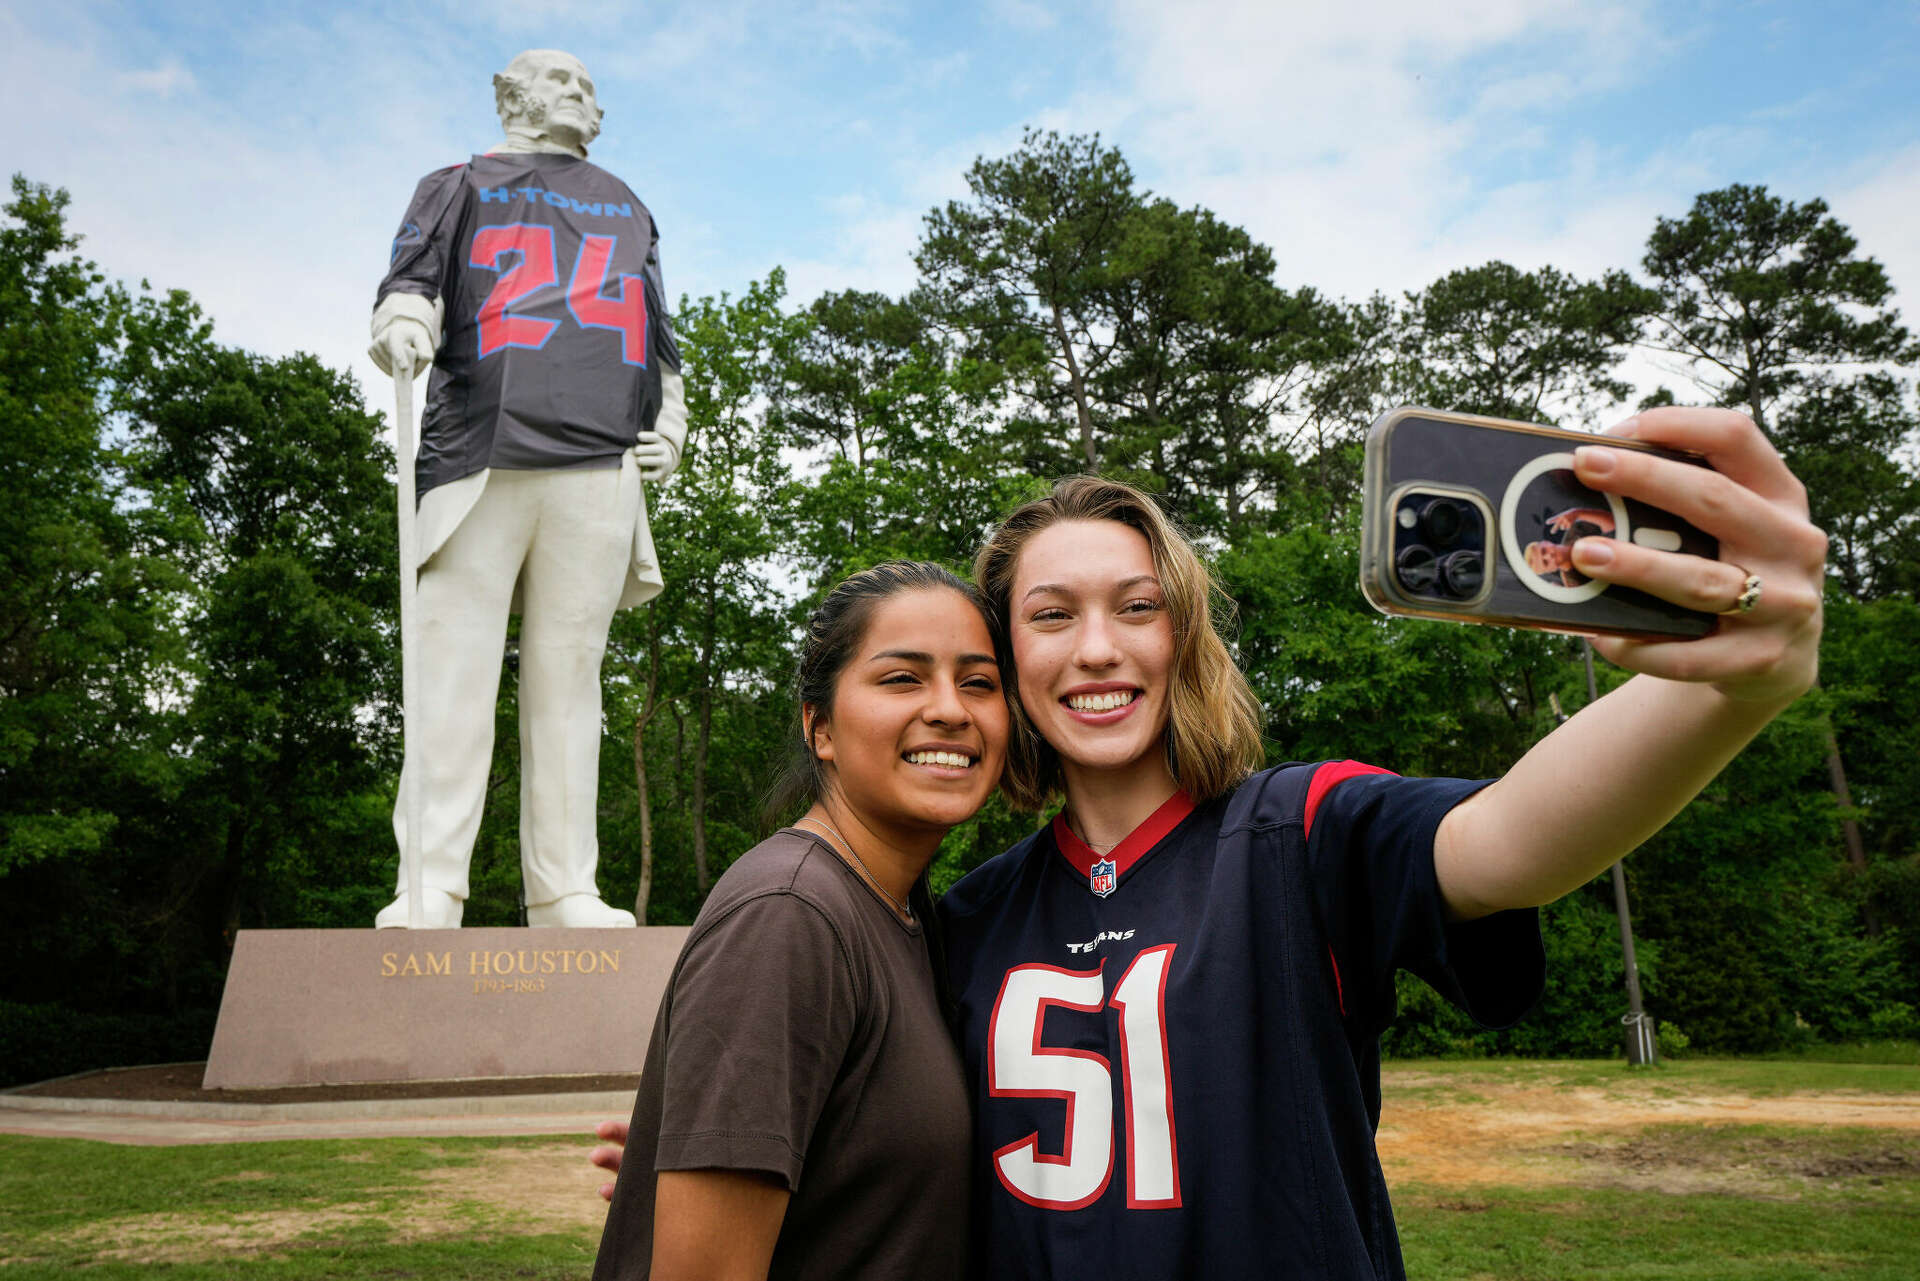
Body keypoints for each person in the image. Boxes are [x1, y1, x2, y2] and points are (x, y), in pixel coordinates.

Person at [594, 408, 1824, 1279]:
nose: (1098, 648)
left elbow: (1513, 841)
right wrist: (752, 1156)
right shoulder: (966, 920)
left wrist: (1730, 690)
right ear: (1012, 667)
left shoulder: (1302, 833)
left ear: (1183, 636)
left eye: (1139, 608)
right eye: (1050, 615)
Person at [592, 562, 1010, 1281]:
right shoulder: (790, 914)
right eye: (902, 678)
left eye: (978, 682)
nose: (950, 708)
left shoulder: (911, 913)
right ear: (819, 727)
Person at [368, 49, 687, 928]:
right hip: (483, 449)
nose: (590, 100)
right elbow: (411, 283)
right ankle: (430, 885)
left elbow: (656, 326)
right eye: (570, 85)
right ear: (514, 96)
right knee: (452, 676)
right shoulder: (458, 182)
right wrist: (401, 325)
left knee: (569, 684)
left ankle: (564, 888)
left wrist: (669, 421)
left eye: (592, 87)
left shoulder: (628, 205)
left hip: (599, 462)